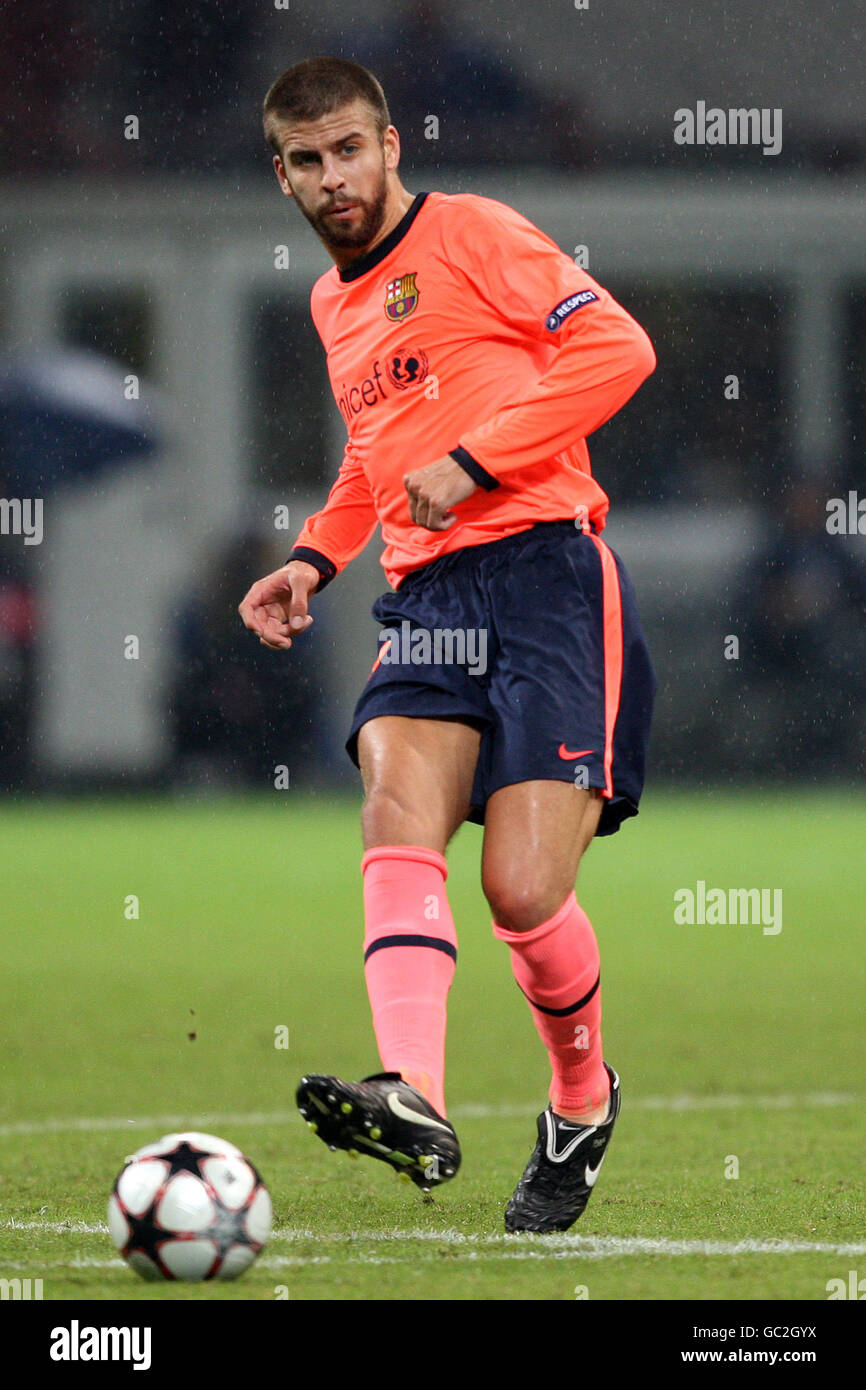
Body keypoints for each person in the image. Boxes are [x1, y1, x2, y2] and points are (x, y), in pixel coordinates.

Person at [239, 56, 657, 1232]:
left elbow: (616, 349)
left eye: (350, 150)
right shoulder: (332, 305)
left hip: (547, 575)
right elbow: (373, 457)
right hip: (426, 601)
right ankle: (414, 1092)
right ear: (283, 177)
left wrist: (474, 462)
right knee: (392, 803)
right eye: (308, 161)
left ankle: (580, 1099)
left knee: (522, 892)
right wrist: (313, 556)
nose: (334, 178)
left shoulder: (470, 232)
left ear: (390, 148)